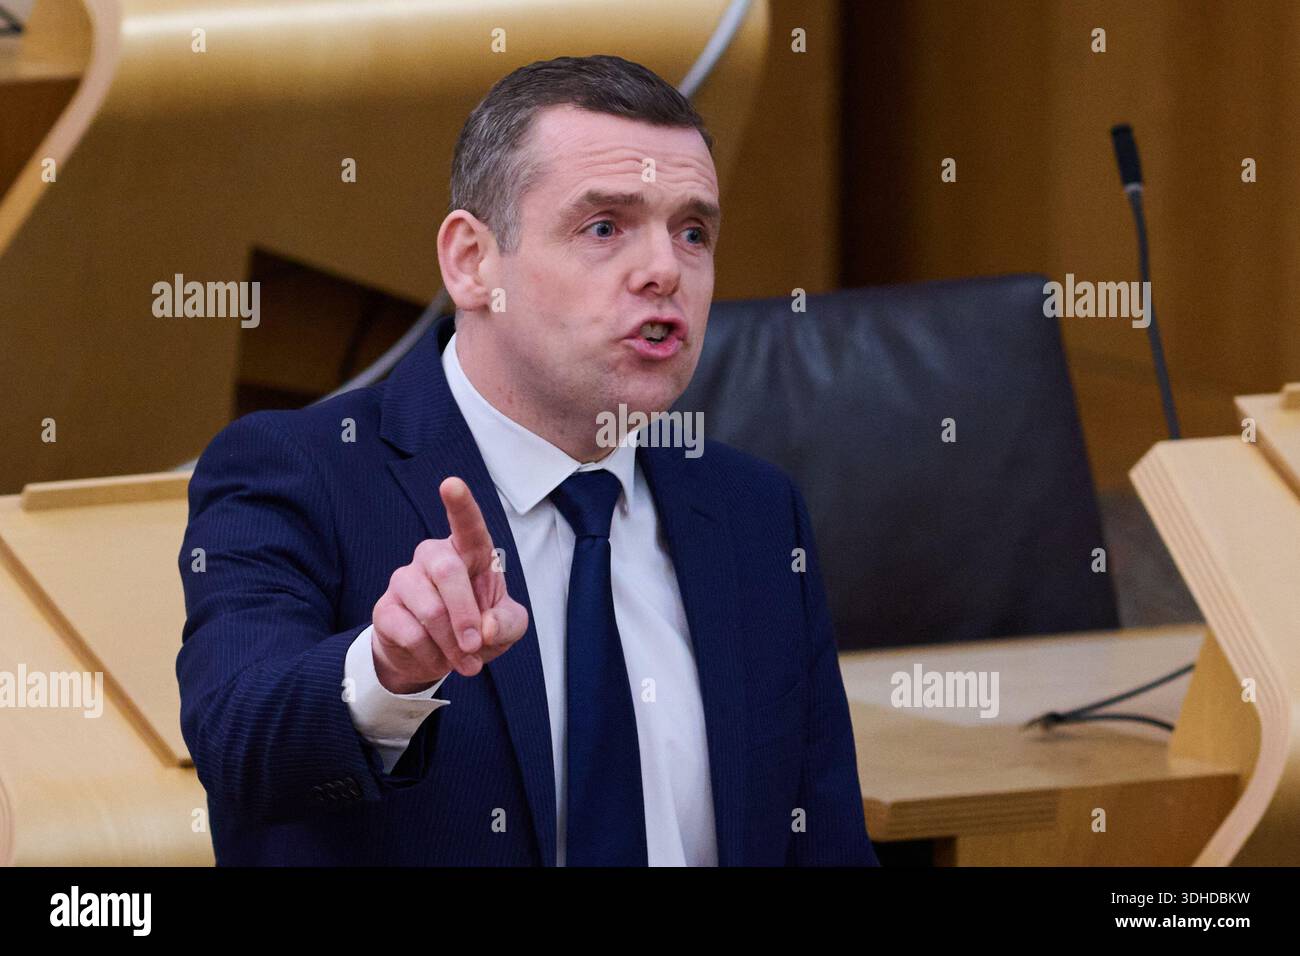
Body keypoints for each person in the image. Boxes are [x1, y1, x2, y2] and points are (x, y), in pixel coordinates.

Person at [176, 53, 880, 866]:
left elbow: (823, 839)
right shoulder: (296, 472)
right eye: (605, 227)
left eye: (693, 231)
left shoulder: (754, 510)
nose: (664, 270)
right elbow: (237, 743)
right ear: (473, 262)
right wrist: (387, 672)